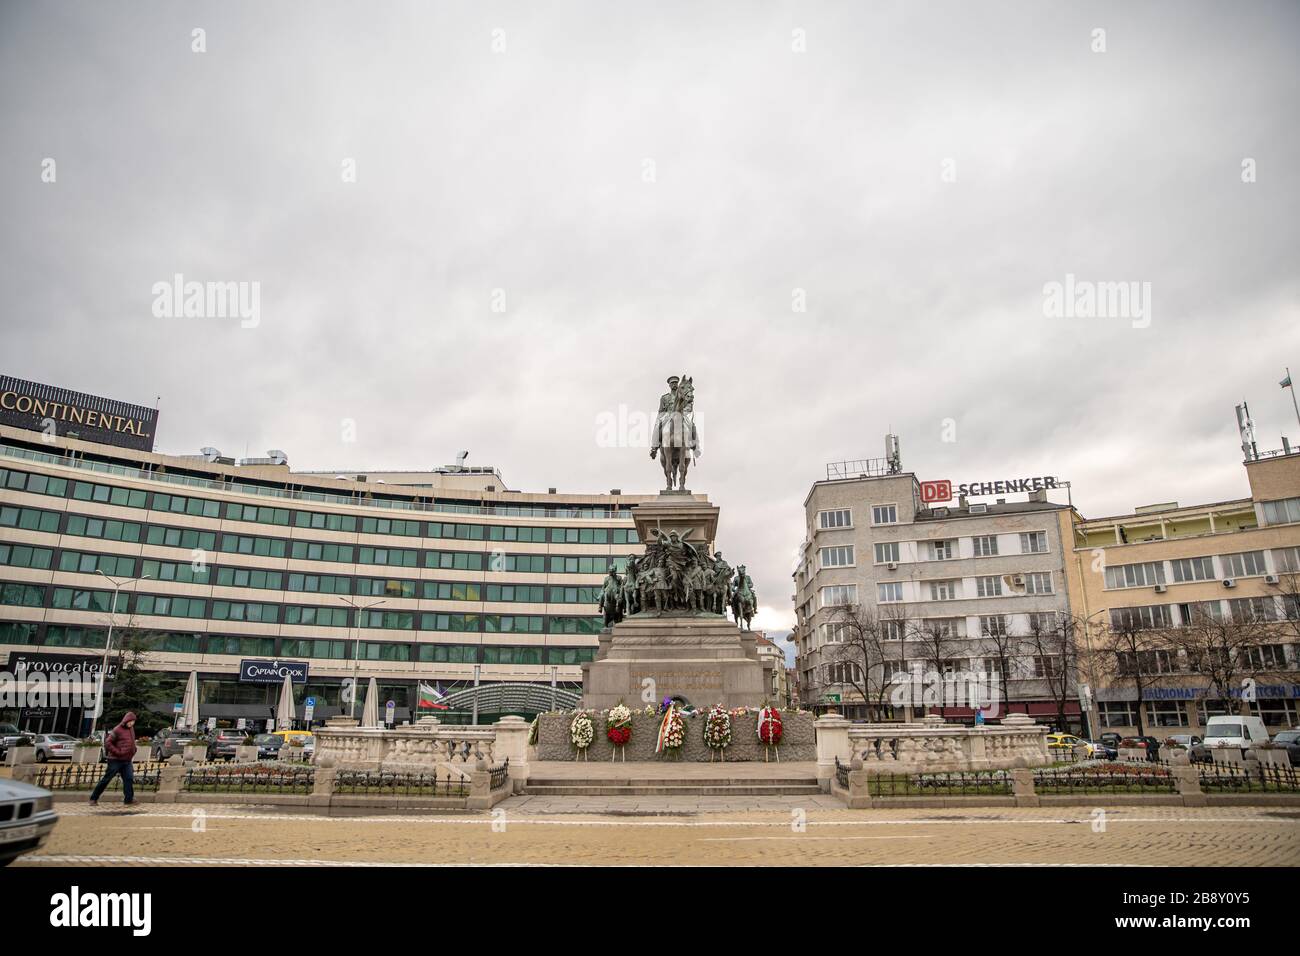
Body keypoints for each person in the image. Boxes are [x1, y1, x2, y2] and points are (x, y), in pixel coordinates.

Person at [89, 711, 138, 807]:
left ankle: (129, 800)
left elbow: (131, 742)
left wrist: (134, 749)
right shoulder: (117, 729)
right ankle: (93, 798)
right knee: (107, 779)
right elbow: (108, 743)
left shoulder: (131, 729)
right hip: (115, 760)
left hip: (127, 760)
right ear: (126, 720)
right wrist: (117, 752)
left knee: (128, 778)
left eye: (133, 721)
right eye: (130, 721)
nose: (131, 723)